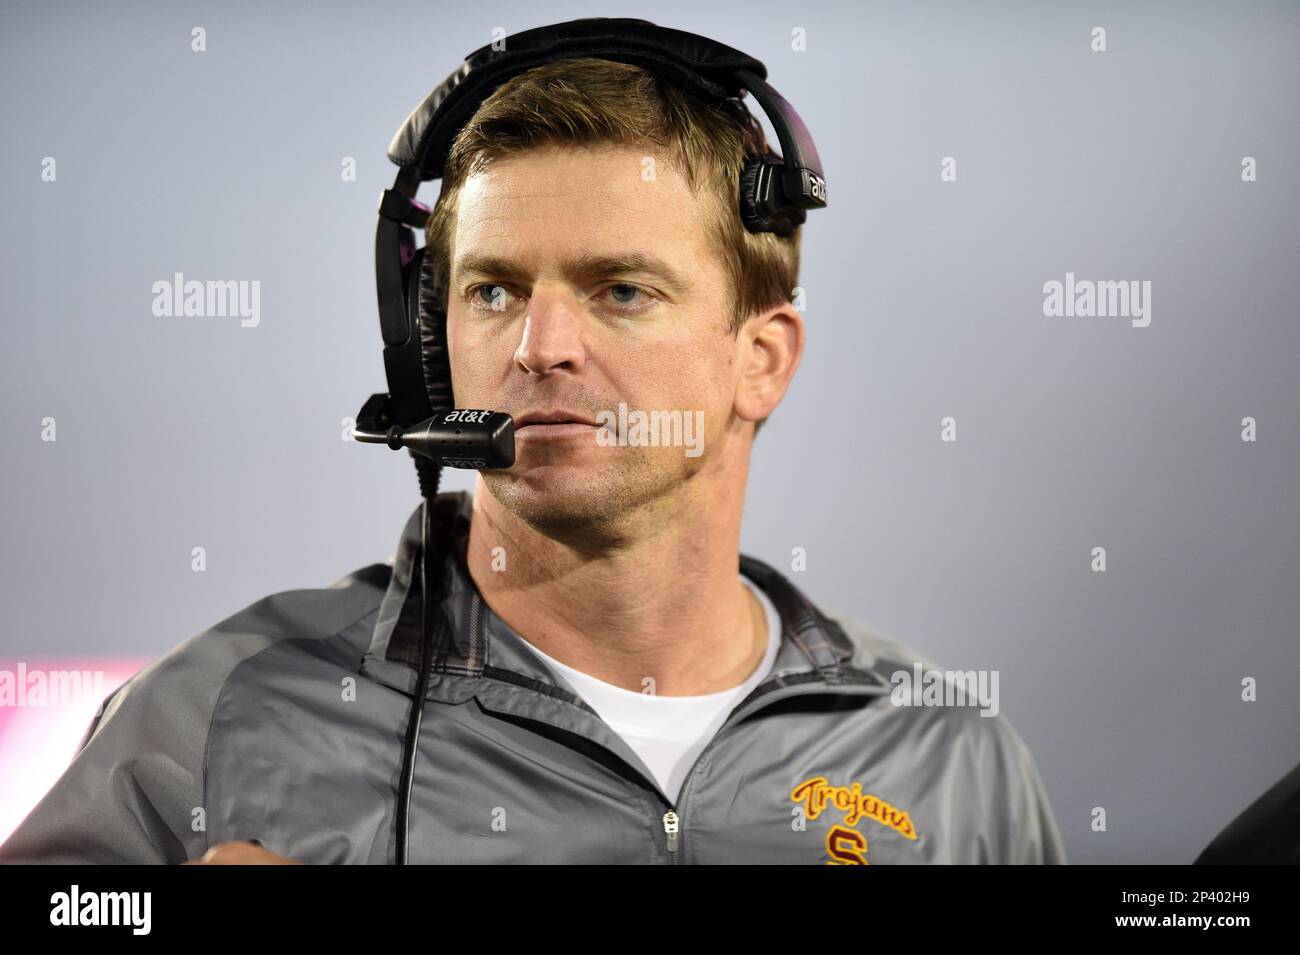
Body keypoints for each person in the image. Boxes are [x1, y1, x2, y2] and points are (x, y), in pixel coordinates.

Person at [0, 42, 1065, 866]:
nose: (541, 347)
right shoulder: (224, 707)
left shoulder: (945, 755)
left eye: (621, 290)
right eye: (495, 289)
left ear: (761, 358)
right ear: (431, 341)